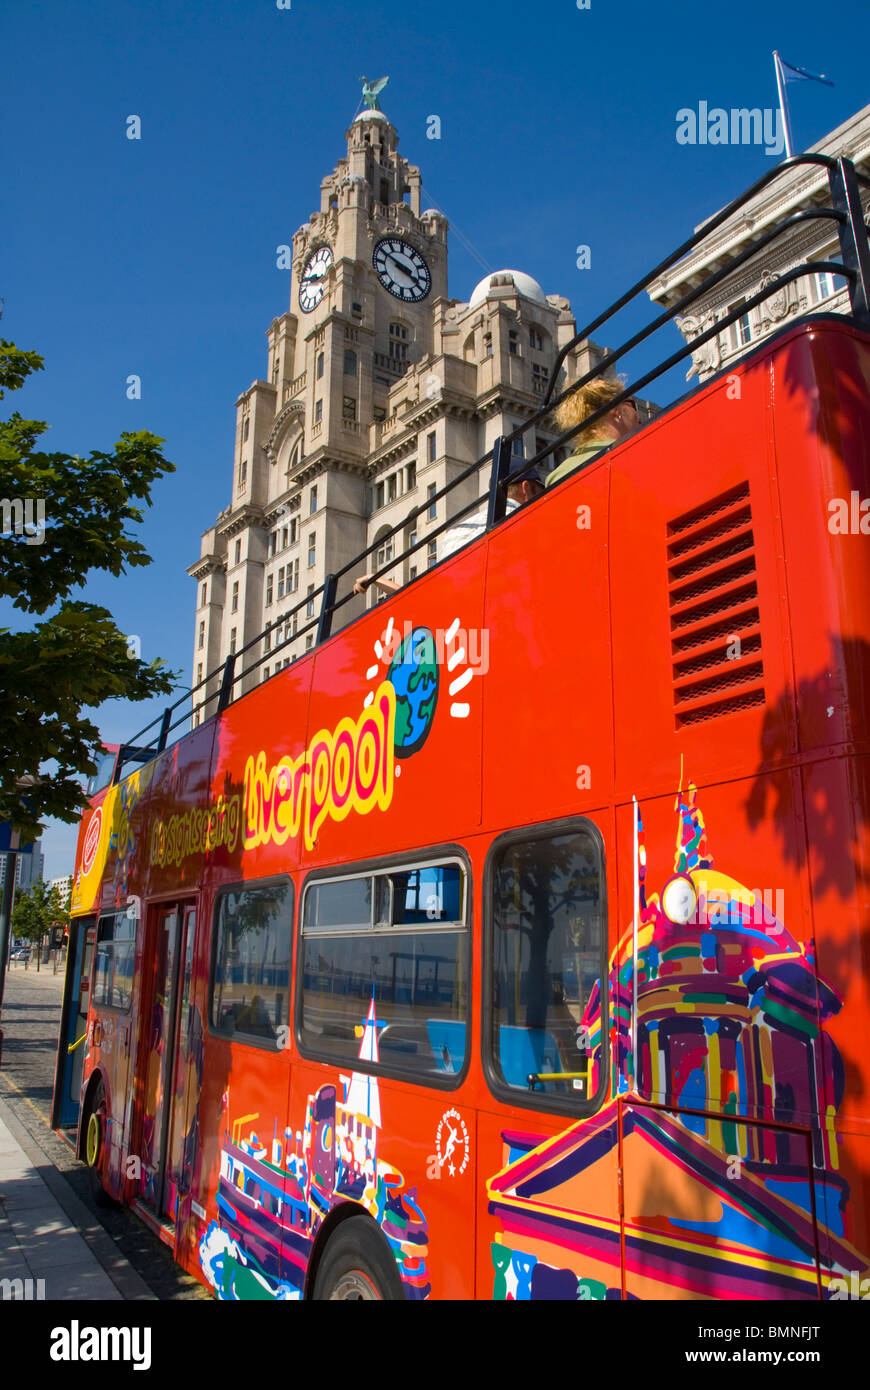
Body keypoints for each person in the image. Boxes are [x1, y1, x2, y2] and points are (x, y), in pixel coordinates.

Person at [354, 457, 545, 596]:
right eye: (540, 491)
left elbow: (423, 596)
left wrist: (375, 578)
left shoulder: (455, 532)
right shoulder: (525, 522)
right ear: (526, 488)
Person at [546, 377, 640, 489]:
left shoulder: (554, 477)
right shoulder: (635, 454)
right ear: (615, 409)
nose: (638, 417)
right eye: (632, 405)